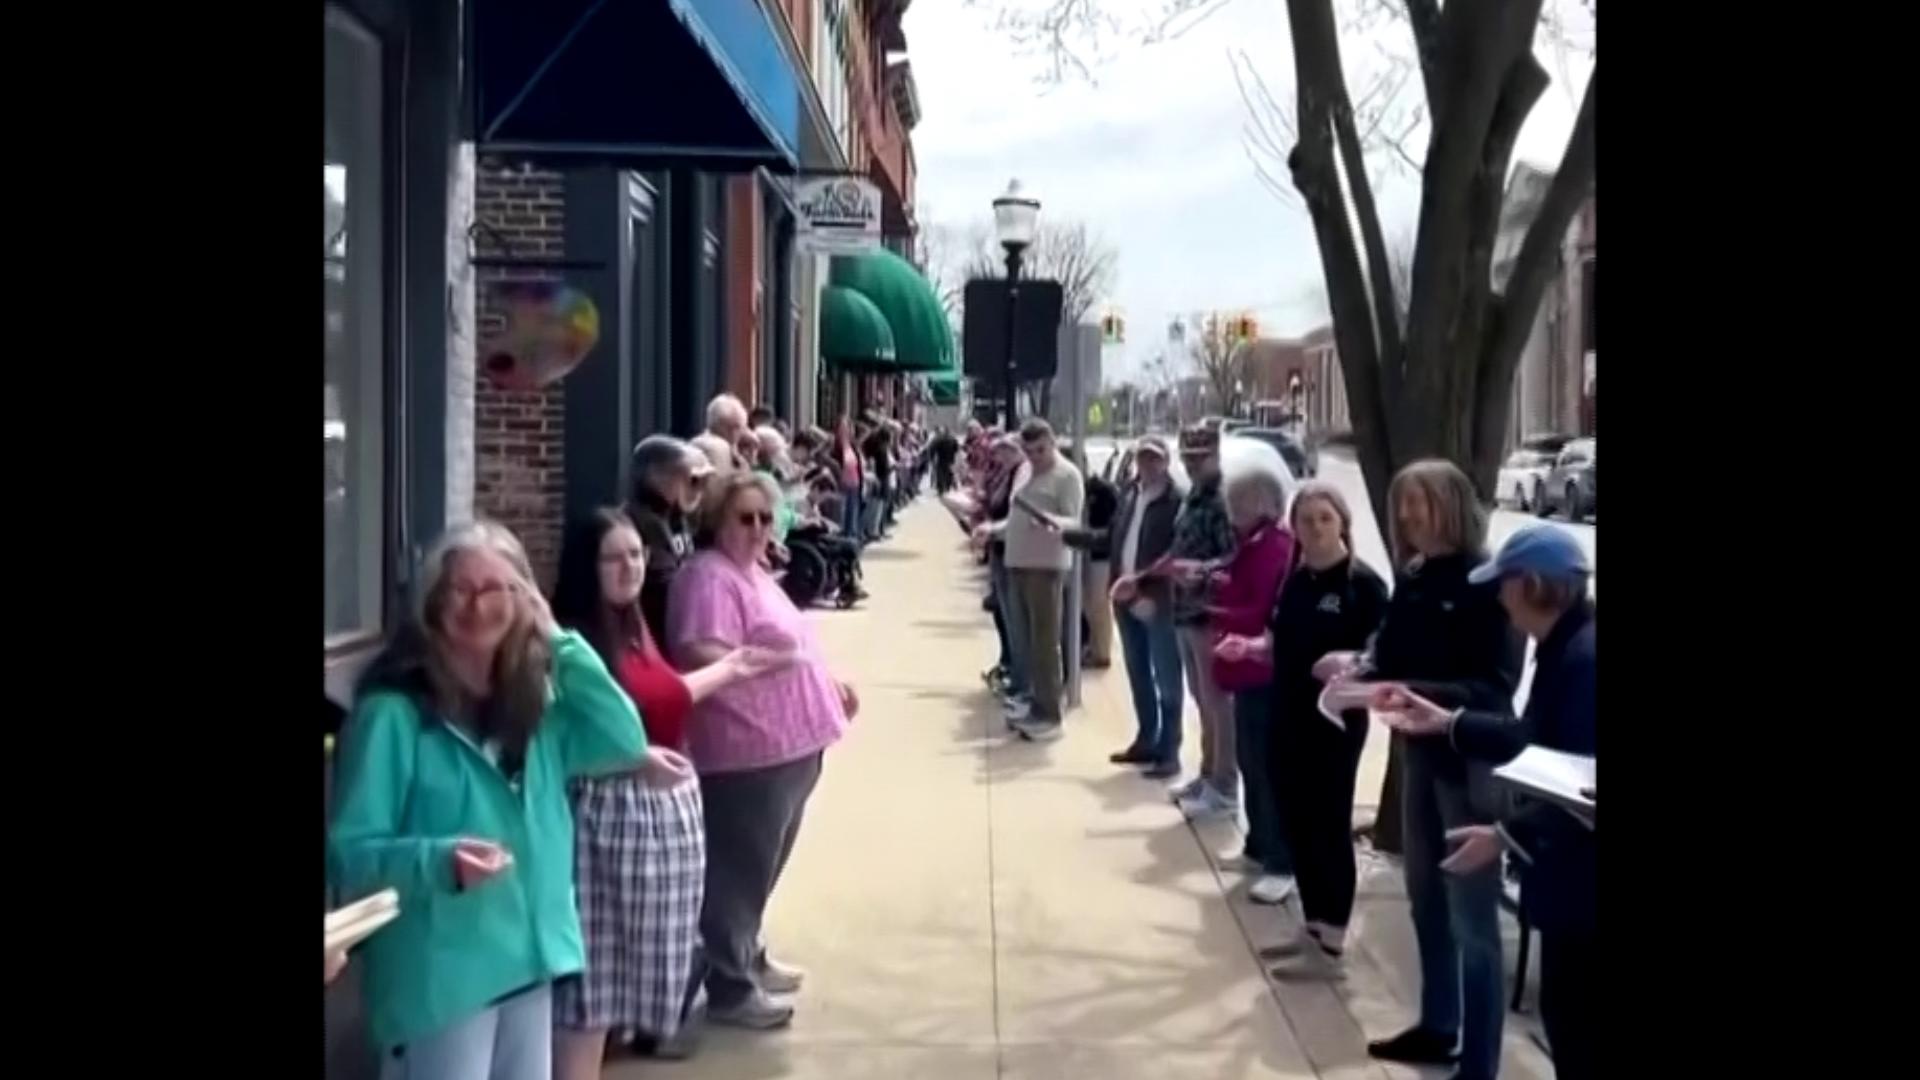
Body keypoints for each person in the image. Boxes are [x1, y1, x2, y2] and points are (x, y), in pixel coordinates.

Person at [329, 521, 652, 1078]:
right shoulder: (393, 712)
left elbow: (624, 738)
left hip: (529, 964)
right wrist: (438, 860)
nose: (477, 606)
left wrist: (559, 640)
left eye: (496, 589)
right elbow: (349, 855)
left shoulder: (537, 701)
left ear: (524, 600)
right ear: (431, 603)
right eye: (460, 589)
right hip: (439, 982)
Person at [548, 510, 793, 1076]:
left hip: (657, 819)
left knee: (624, 985)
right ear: (587, 567)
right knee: (594, 985)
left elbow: (664, 697)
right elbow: (597, 724)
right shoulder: (575, 644)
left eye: (636, 553)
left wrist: (733, 667)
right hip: (605, 824)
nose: (630, 566)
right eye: (614, 557)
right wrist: (626, 762)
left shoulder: (633, 626)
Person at [1373, 525, 1595, 1080]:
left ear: (1533, 586)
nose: (1496, 597)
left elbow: (1582, 783)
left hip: (1585, 891)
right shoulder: (1566, 645)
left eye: (1502, 585)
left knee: (1577, 1027)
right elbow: (1534, 737)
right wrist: (1450, 723)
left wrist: (1505, 835)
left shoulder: (1584, 660)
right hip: (1571, 887)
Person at [1343, 459, 1523, 1080]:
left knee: (1473, 918)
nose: (1406, 516)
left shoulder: (1486, 581)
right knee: (1425, 899)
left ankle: (1480, 1062)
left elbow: (1496, 688)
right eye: (1401, 505)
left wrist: (1404, 688)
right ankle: (1438, 1025)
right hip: (1418, 756)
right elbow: (1386, 648)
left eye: (1417, 502)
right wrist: (1356, 670)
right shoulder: (1414, 575)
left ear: (1449, 504)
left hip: (1468, 763)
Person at [667, 471, 860, 1030]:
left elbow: (793, 643)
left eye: (763, 518)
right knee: (737, 872)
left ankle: (746, 952)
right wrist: (766, 661)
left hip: (792, 747)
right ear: (716, 521)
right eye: (743, 518)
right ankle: (729, 985)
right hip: (747, 751)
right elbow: (701, 650)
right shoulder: (708, 578)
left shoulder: (752, 572)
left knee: (763, 866)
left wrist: (828, 684)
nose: (756, 529)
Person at [1218, 483, 1388, 978]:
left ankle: (1333, 940)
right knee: (1294, 820)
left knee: (1327, 826)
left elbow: (1387, 656)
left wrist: (1355, 662)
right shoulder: (1295, 579)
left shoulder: (1363, 586)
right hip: (1285, 714)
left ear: (1342, 525)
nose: (1314, 529)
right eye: (1306, 519)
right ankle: (1314, 927)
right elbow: (1279, 642)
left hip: (1333, 724)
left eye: (1324, 519)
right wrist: (1249, 649)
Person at [1207, 467, 1297, 905]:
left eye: (1237, 503)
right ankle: (1259, 844)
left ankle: (1282, 859)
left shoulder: (1274, 548)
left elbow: (1259, 607)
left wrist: (1216, 611)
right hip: (1244, 669)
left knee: (1267, 766)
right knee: (1249, 759)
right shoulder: (1250, 546)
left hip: (1264, 670)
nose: (1230, 511)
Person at [973, 419, 1084, 743]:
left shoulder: (1066, 476)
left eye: (1040, 450)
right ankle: (1034, 703)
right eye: (1030, 451)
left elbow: (1074, 519)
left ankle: (1049, 713)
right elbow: (1017, 518)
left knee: (1046, 643)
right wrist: (992, 530)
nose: (1035, 456)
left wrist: (1054, 524)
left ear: (1052, 443)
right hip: (1017, 564)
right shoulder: (1025, 473)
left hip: (1045, 568)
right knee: (1027, 642)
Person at [1101, 436, 1186, 778]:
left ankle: (1169, 750)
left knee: (1167, 677)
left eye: (1155, 459)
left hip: (1158, 601)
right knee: (1138, 673)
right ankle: (1146, 739)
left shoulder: (1176, 500)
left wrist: (1142, 582)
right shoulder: (1130, 492)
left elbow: (1178, 552)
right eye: (1143, 458)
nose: (1148, 465)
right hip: (1124, 598)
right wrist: (1067, 535)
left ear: (1166, 461)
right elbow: (1112, 537)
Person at [1166, 424, 1239, 818]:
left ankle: (1225, 785)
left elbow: (1235, 558)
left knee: (1217, 703)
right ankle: (1207, 773)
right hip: (1184, 611)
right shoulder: (1192, 497)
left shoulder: (1221, 501)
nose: (1193, 464)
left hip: (1210, 614)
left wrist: (1201, 570)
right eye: (1188, 457)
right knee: (1202, 699)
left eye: (1201, 457)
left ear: (1216, 454)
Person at [626, 436, 711, 644]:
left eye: (704, 482)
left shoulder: (678, 518)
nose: (700, 490)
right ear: (659, 478)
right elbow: (664, 589)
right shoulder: (643, 523)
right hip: (653, 637)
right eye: (693, 481)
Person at [1078, 470, 1120, 669]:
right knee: (1087, 605)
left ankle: (1102, 653)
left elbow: (1115, 522)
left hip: (1102, 557)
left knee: (1099, 605)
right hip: (1083, 555)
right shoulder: (1079, 488)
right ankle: (1094, 647)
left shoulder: (1103, 490)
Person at [930, 426, 960, 495]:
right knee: (949, 473)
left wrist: (932, 457)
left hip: (941, 458)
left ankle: (941, 488)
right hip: (950, 459)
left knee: (941, 474)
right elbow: (957, 448)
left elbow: (933, 448)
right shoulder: (952, 439)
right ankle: (948, 487)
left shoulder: (939, 439)